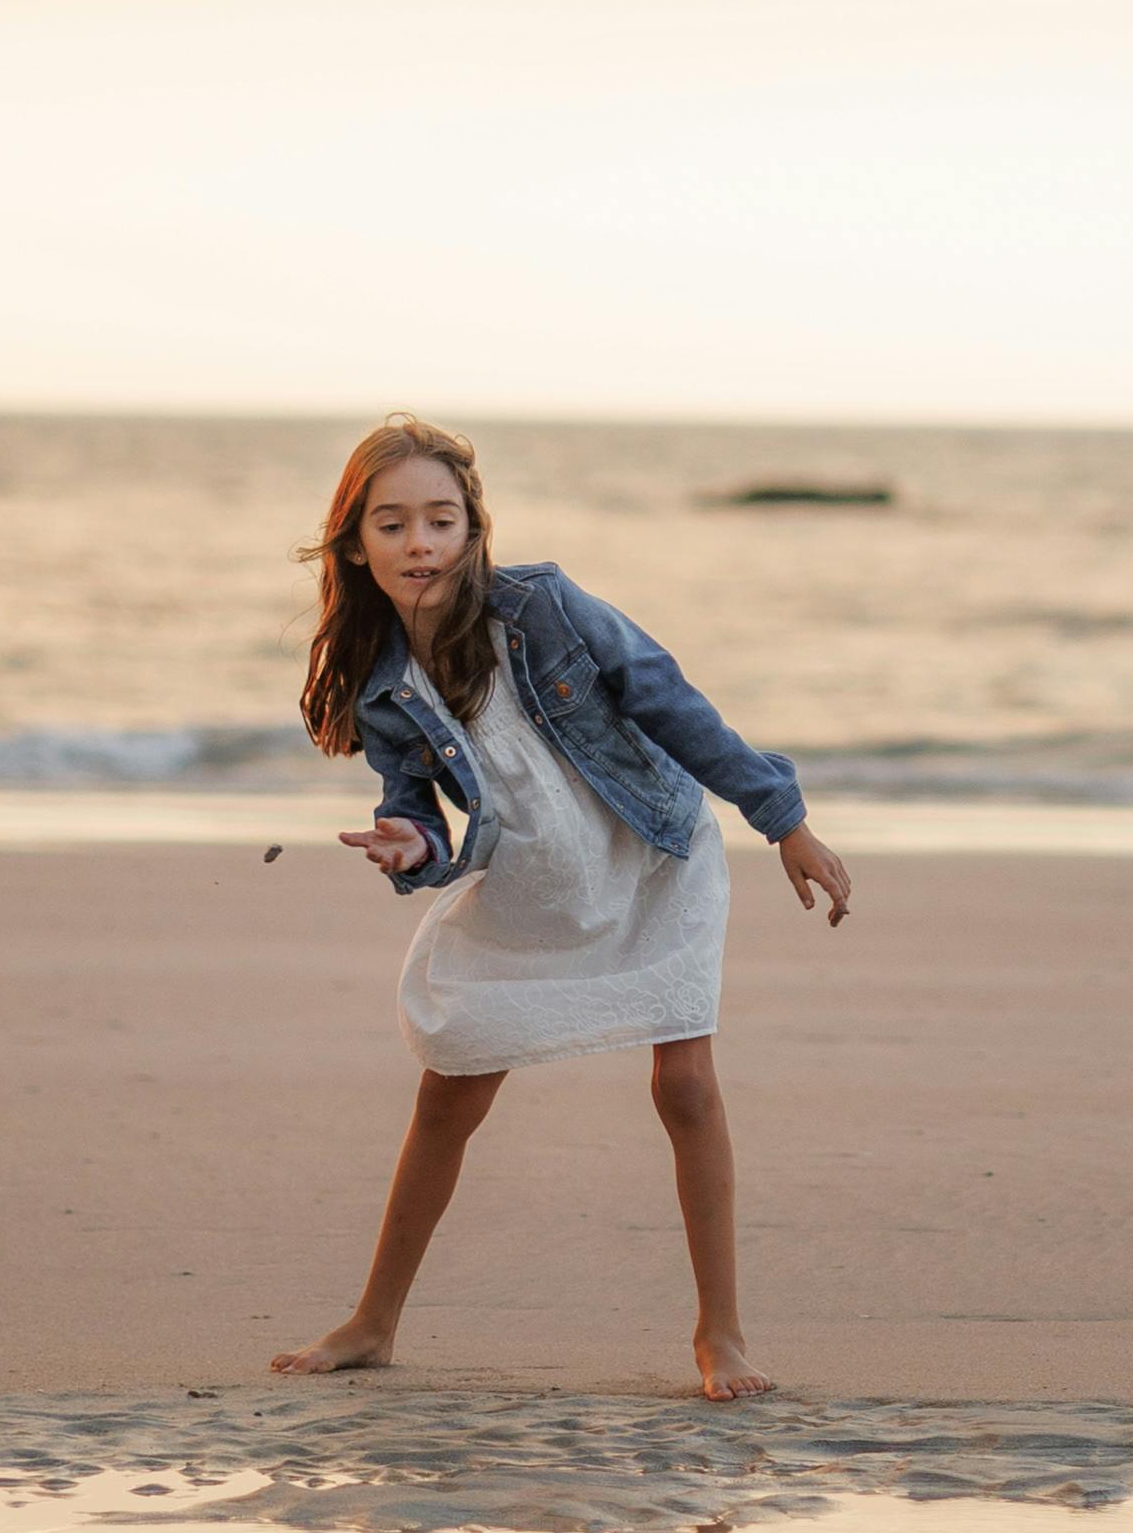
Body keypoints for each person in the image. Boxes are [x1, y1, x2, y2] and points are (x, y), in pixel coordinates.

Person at [270, 415, 851, 1396]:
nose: (419, 542)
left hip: (654, 851)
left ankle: (722, 1335)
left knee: (686, 1087)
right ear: (355, 541)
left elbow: (671, 702)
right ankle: (373, 1320)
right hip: (537, 877)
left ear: (472, 528)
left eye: (440, 520)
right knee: (449, 1086)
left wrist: (780, 816)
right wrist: (412, 844)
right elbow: (414, 812)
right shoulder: (383, 686)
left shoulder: (539, 607)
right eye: (393, 522)